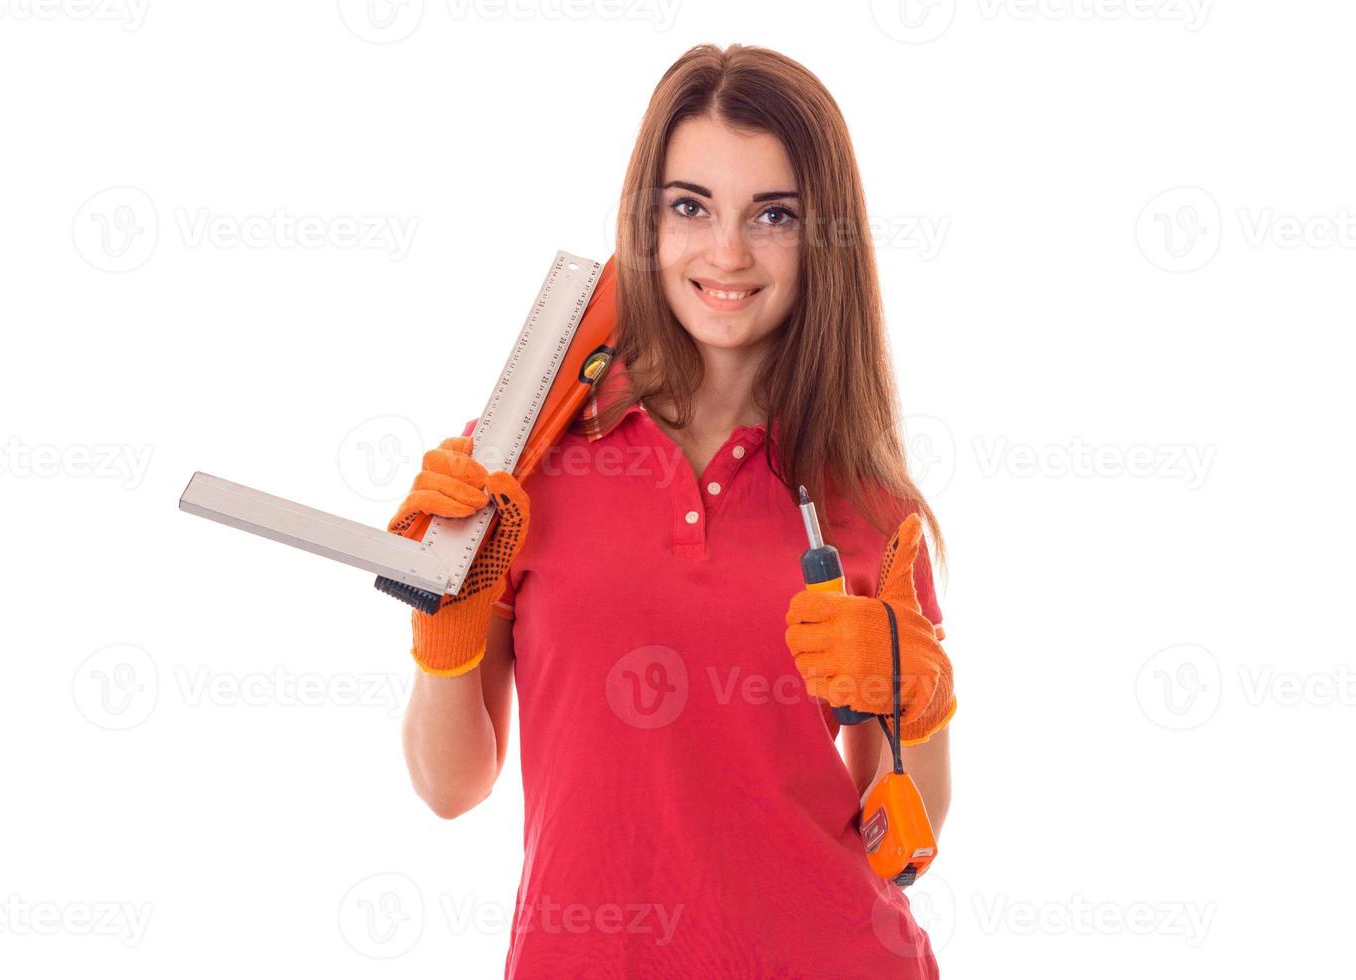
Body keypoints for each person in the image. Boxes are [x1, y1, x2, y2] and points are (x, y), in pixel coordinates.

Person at [393, 42, 956, 979]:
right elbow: (451, 789)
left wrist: (918, 705)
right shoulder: (521, 456)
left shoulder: (867, 501)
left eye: (772, 215)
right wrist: (445, 617)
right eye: (690, 206)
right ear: (645, 219)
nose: (726, 252)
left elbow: (904, 837)